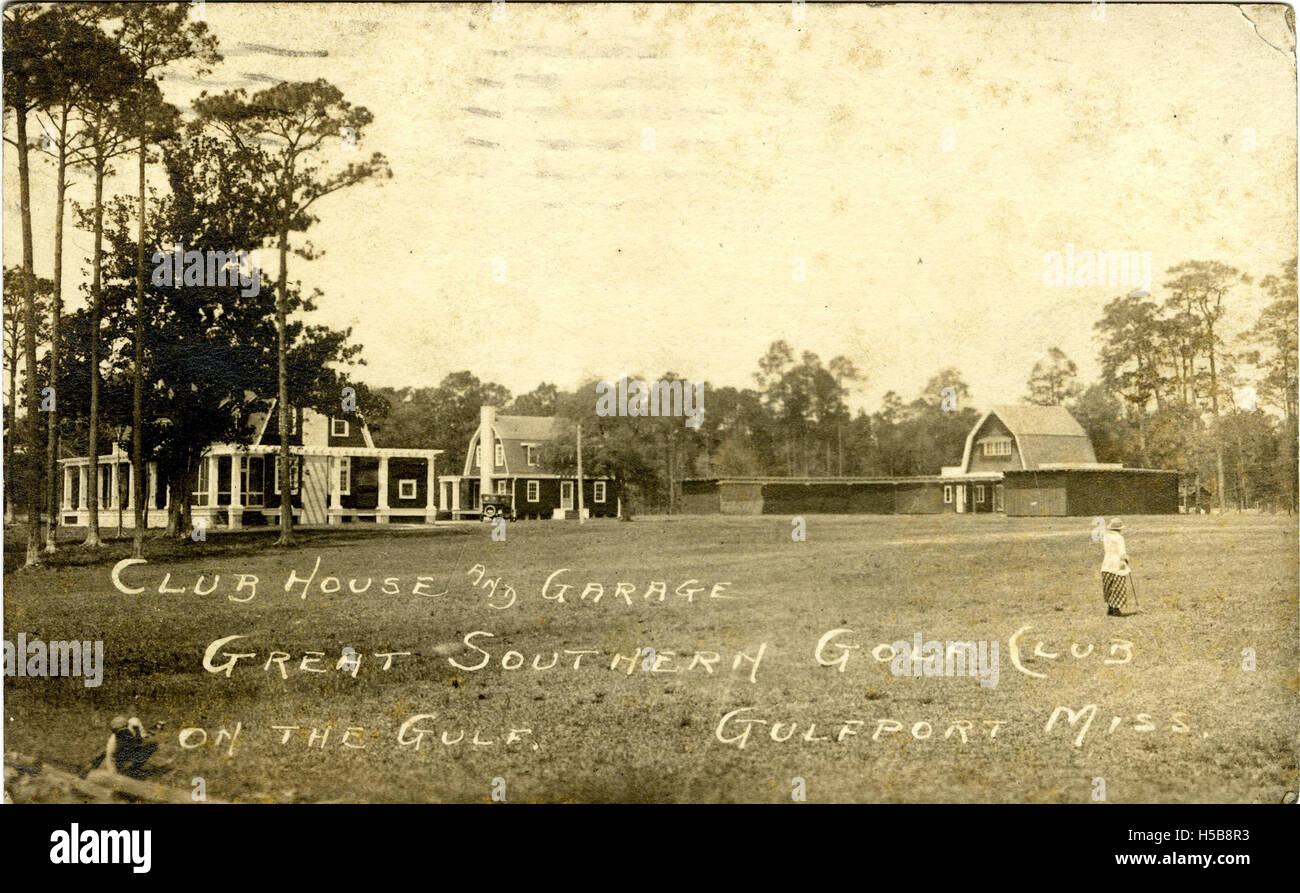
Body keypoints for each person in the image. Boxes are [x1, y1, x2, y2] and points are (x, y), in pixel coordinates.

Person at [82, 715, 167, 780]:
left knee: (153, 744)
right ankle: (127, 772)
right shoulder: (113, 744)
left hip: (134, 748)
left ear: (128, 727)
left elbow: (147, 735)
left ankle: (133, 769)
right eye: (120, 734)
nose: (123, 735)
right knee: (115, 766)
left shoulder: (134, 724)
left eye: (124, 732)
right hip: (120, 755)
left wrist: (157, 726)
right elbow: (107, 760)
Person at [1100, 518, 1134, 616]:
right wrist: (1126, 559)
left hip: (1106, 565)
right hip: (1117, 565)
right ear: (1119, 529)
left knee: (1109, 587)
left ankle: (1110, 608)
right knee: (1118, 587)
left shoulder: (1106, 537)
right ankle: (1116, 609)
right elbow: (1122, 553)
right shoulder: (1119, 538)